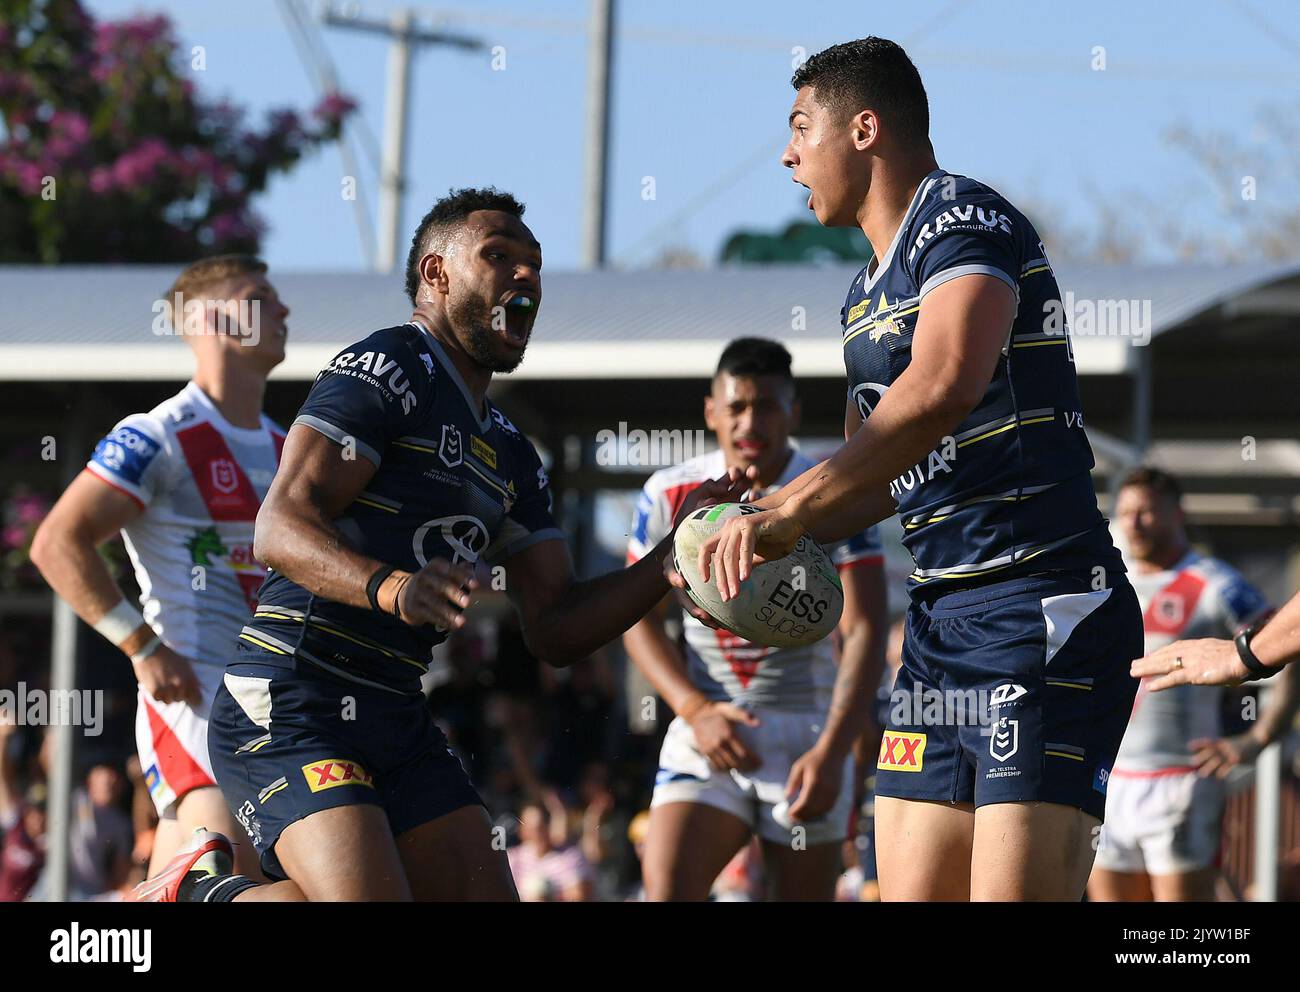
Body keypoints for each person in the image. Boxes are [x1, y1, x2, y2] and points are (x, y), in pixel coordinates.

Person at [138, 187, 746, 902]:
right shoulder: (389, 365)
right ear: (436, 275)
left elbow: (554, 626)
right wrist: (395, 588)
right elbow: (279, 528)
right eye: (499, 257)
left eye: (535, 265)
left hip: (396, 716)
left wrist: (669, 561)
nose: (526, 276)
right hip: (291, 699)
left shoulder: (512, 452)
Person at [693, 37, 1143, 901]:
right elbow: (869, 476)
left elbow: (940, 386)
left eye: (798, 128)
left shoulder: (963, 221)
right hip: (939, 628)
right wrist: (737, 544)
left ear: (863, 130)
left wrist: (786, 511)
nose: (787, 155)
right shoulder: (862, 296)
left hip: (1043, 606)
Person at [31, 255, 290, 883]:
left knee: (226, 878)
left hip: (280, 703)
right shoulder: (160, 434)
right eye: (261, 296)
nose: (283, 310)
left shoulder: (288, 445)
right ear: (211, 319)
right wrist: (141, 645)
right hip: (197, 698)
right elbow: (56, 543)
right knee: (232, 880)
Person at [623, 337, 887, 901]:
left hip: (805, 738)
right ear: (711, 412)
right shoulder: (670, 494)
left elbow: (865, 627)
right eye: (736, 406)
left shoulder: (832, 487)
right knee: (665, 887)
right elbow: (634, 617)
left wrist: (834, 749)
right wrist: (693, 710)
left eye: (766, 406)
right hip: (710, 727)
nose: (750, 421)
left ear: (792, 411)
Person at [1089, 467, 1299, 901]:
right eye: (1125, 513)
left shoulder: (1216, 583)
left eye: (1146, 511)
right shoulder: (1104, 578)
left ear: (1177, 514)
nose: (1134, 522)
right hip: (1107, 779)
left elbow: (1287, 649)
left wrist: (1258, 738)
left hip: (1180, 782)